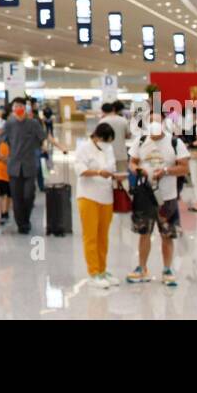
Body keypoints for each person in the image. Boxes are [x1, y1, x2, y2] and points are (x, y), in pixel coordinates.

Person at [127, 110, 190, 287]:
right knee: (143, 233)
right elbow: (132, 162)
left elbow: (184, 168)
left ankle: (167, 269)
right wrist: (138, 170)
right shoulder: (140, 141)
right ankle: (142, 267)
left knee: (167, 234)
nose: (154, 124)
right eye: (151, 121)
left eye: (157, 121)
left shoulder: (175, 143)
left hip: (167, 197)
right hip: (144, 195)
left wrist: (166, 171)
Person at [75, 122, 128, 288]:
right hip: (88, 196)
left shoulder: (108, 149)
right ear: (97, 137)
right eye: (105, 140)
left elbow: (110, 168)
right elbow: (80, 170)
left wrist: (115, 176)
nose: (107, 144)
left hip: (106, 196)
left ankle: (103, 269)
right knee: (90, 236)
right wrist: (98, 172)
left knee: (103, 236)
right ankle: (93, 272)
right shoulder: (84, 148)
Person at [0, 97, 46, 233]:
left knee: (29, 195)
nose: (18, 108)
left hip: (29, 165)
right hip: (14, 166)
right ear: (12, 109)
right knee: (17, 197)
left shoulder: (33, 123)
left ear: (25, 107)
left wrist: (44, 146)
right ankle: (22, 224)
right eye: (15, 106)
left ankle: (26, 218)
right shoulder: (9, 124)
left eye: (20, 106)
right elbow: (0, 139)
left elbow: (43, 138)